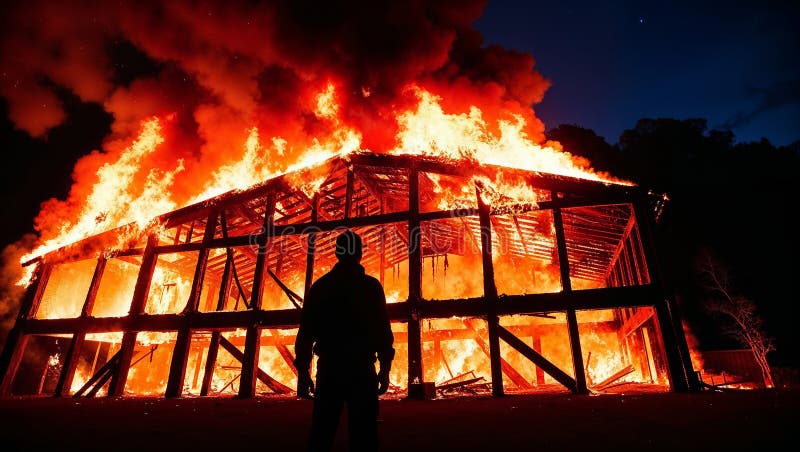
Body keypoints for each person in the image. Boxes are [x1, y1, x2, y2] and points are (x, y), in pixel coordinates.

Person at [295, 230, 395, 451]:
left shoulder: (321, 287)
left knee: (322, 431)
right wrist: (385, 368)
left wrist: (303, 371)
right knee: (364, 434)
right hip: (361, 369)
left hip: (330, 369)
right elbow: (382, 332)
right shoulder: (371, 287)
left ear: (337, 253)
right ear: (360, 253)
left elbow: (305, 333)